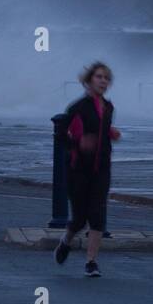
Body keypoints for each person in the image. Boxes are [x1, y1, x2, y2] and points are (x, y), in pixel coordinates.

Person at [53, 62, 121, 277]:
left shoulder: (109, 108)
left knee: (98, 215)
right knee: (80, 219)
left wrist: (111, 133)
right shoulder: (77, 108)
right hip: (79, 170)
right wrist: (78, 143)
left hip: (101, 168)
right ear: (89, 80)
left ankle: (91, 262)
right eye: (99, 77)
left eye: (106, 78)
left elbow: (101, 130)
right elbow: (61, 135)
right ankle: (65, 242)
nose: (103, 81)